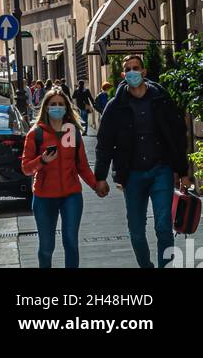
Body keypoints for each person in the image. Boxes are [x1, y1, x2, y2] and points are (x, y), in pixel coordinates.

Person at [95, 53, 191, 269]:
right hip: (133, 175)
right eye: (128, 69)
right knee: (137, 232)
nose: (132, 72)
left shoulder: (161, 99)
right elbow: (104, 143)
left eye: (136, 68)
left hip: (161, 171)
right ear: (122, 75)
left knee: (163, 227)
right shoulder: (115, 106)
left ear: (144, 72)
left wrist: (182, 171)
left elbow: (177, 135)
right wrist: (100, 177)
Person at [21, 87, 106, 269]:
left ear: (67, 108)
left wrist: (95, 185)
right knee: (46, 247)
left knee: (71, 243)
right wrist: (42, 160)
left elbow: (82, 166)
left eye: (61, 104)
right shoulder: (35, 134)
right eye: (53, 105)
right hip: (44, 197)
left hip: (71, 196)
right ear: (46, 108)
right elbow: (26, 168)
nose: (57, 108)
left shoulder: (72, 132)